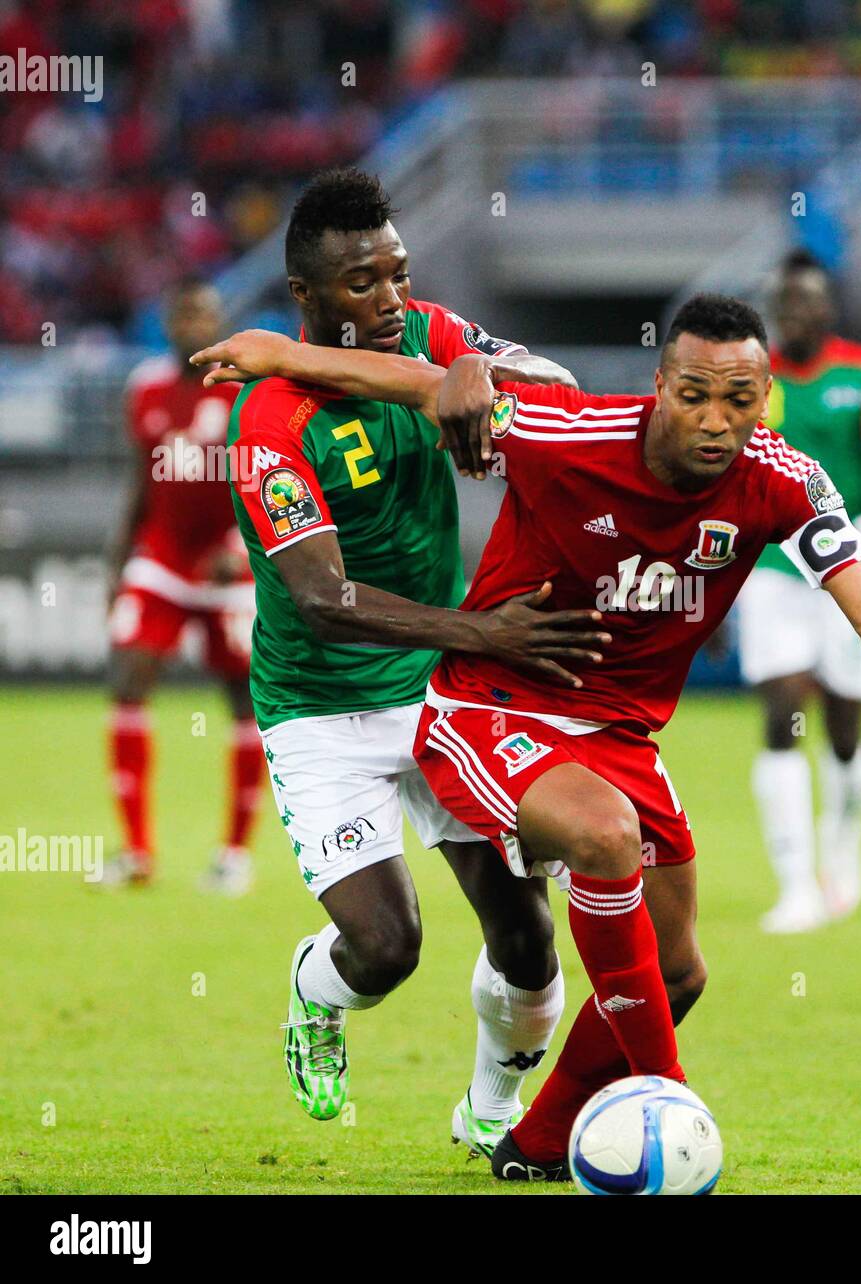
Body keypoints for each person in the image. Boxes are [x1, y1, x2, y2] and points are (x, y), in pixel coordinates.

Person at [201, 292, 861, 1182]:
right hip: (491, 707)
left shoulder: (786, 480)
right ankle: (668, 1097)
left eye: (740, 400)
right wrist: (285, 354)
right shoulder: (564, 431)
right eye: (694, 394)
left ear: (766, 398)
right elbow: (422, 385)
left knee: (680, 969)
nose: (715, 421)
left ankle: (534, 1144)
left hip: (620, 736)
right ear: (658, 386)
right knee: (602, 836)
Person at [204, 166, 594, 1156]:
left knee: (529, 944)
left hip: (441, 697)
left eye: (398, 275)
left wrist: (477, 377)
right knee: (387, 949)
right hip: (321, 704)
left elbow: (552, 384)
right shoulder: (266, 426)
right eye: (361, 285)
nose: (390, 302)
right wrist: (487, 634)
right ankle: (313, 990)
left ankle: (492, 1118)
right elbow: (323, 601)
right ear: (305, 296)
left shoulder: (433, 331)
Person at [737, 249, 861, 932]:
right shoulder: (753, 378)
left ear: (828, 308)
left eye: (806, 302)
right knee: (782, 713)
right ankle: (796, 884)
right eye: (784, 305)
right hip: (772, 567)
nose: (794, 315)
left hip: (844, 566)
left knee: (842, 724)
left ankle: (842, 840)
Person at [104, 278, 260, 895]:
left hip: (231, 571)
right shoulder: (143, 388)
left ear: (219, 323)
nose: (194, 325)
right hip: (163, 561)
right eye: (184, 313)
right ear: (168, 321)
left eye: (205, 315)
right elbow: (139, 484)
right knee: (127, 678)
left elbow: (272, 478)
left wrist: (244, 546)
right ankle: (138, 851)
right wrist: (118, 565)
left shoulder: (245, 389)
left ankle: (233, 855)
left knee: (242, 701)